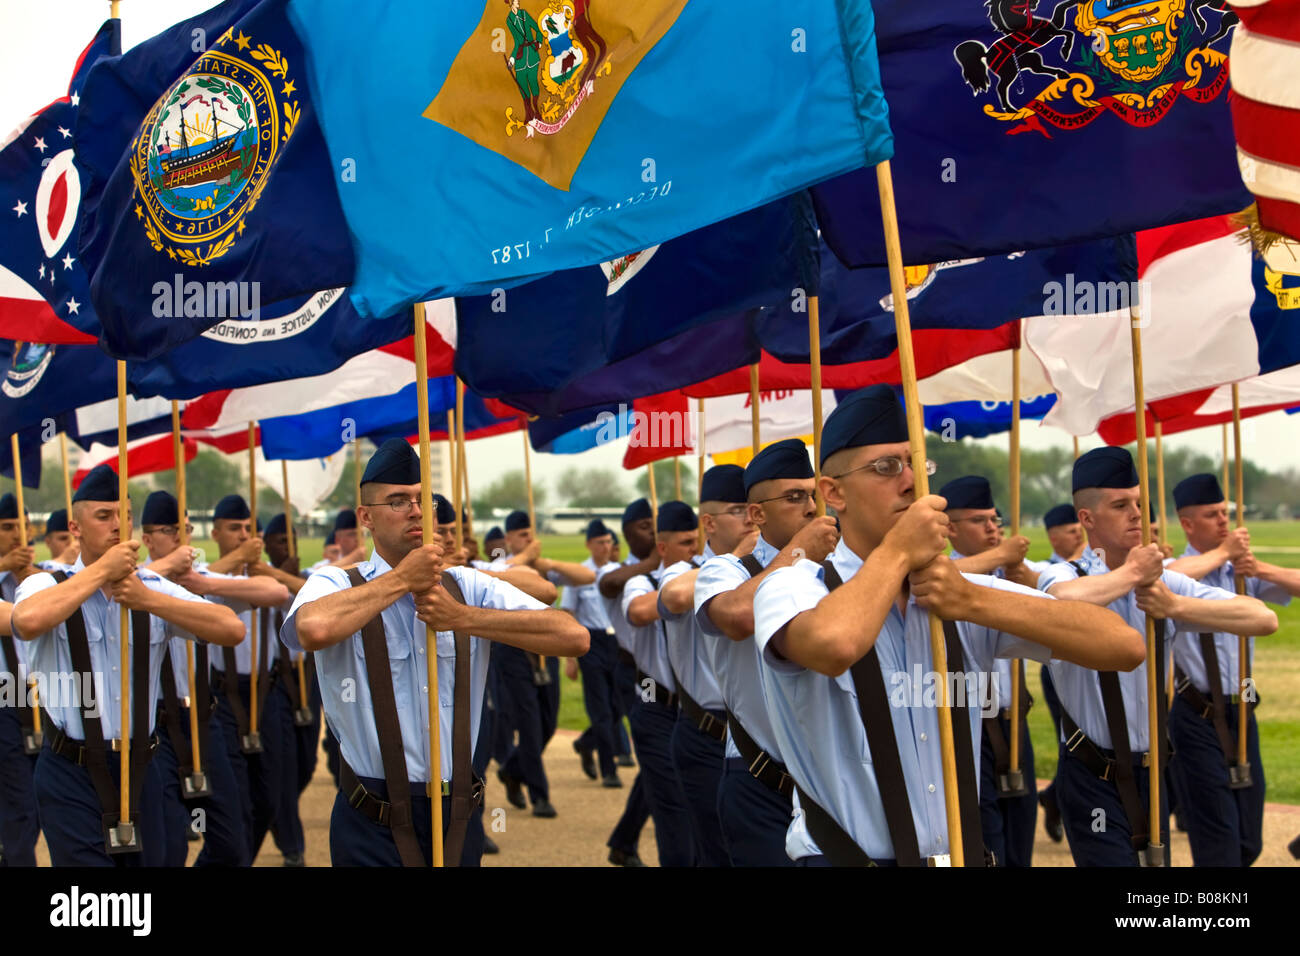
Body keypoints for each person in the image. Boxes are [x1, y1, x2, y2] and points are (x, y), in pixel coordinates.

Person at [751, 387, 1148, 866]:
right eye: (885, 467)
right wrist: (898, 552)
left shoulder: (956, 593)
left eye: (917, 464)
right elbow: (836, 643)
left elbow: (1123, 647)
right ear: (833, 492)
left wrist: (973, 598)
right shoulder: (794, 586)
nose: (910, 482)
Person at [280, 438, 588, 866]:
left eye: (422, 499)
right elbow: (312, 628)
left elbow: (573, 637)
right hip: (371, 817)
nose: (416, 511)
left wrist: (464, 618)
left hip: (456, 815)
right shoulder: (335, 583)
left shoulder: (467, 585)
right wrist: (402, 580)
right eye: (398, 501)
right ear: (365, 517)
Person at [1036, 448, 1278, 866]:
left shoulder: (1164, 584)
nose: (1137, 514)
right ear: (1088, 519)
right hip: (1091, 773)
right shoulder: (1063, 574)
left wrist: (1177, 607)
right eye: (1120, 505)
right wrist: (1132, 574)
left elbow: (1263, 617)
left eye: (1138, 504)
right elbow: (1060, 602)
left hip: (1153, 770)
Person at [11, 465, 244, 866]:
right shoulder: (47, 584)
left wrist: (149, 600)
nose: (119, 527)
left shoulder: (150, 589)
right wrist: (104, 569)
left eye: (126, 517)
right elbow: (27, 622)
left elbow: (231, 629)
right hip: (72, 769)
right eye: (104, 517)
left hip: (141, 766)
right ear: (76, 526)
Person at [689, 440, 836, 866]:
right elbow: (735, 616)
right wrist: (800, 552)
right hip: (760, 776)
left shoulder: (836, 567)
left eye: (813, 495)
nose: (810, 507)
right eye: (794, 497)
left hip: (831, 779)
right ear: (756, 514)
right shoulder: (727, 569)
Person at [1164, 473, 1300, 866]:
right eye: (1212, 515)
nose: (1224, 521)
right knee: (1217, 836)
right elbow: (1169, 579)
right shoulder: (1178, 568)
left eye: (1225, 513)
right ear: (1188, 524)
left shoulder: (1241, 575)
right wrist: (1224, 552)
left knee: (1248, 839)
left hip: (1241, 710)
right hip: (1196, 714)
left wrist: (1262, 570)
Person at [138, 491, 252, 866]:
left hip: (203, 719)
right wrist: (168, 565)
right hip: (156, 725)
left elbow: (274, 593)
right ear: (147, 538)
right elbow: (118, 587)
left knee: (230, 844)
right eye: (170, 529)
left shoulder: (198, 578)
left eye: (184, 528)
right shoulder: (137, 584)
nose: (180, 536)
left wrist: (208, 584)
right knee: (169, 845)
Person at [940, 475, 1043, 867]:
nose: (992, 529)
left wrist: (1018, 570)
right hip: (968, 725)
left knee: (1020, 833)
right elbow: (955, 576)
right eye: (979, 521)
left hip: (1013, 719)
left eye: (995, 520)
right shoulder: (946, 572)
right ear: (950, 529)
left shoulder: (1014, 572)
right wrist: (1001, 556)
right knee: (985, 835)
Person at [655, 466, 753, 867]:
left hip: (758, 735)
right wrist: (739, 561)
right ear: (709, 522)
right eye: (739, 510)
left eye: (755, 508)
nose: (752, 518)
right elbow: (675, 596)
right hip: (706, 732)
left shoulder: (774, 564)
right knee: (717, 853)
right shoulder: (685, 569)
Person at [202, 493, 299, 864]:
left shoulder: (263, 574)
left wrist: (268, 570)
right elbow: (192, 585)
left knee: (270, 796)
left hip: (266, 690)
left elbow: (299, 593)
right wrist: (235, 563)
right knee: (234, 799)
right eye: (233, 529)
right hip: (223, 695)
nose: (243, 535)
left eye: (248, 529)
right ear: (215, 533)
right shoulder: (207, 573)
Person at [618, 500, 699, 866]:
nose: (694, 550)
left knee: (698, 808)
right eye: (685, 543)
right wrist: (680, 591)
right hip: (654, 703)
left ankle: (622, 841)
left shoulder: (709, 575)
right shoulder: (642, 581)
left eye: (697, 541)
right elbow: (638, 612)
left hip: (695, 713)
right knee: (675, 811)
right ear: (663, 547)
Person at [598, 499, 657, 866]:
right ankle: (624, 839)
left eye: (655, 524)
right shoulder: (619, 572)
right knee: (657, 758)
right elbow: (608, 584)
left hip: (672, 678)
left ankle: (624, 839)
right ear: (627, 533)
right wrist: (656, 562)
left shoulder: (674, 568)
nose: (651, 531)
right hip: (640, 678)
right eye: (643, 526)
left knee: (663, 760)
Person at [564, 519, 625, 787]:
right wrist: (570, 658)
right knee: (600, 709)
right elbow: (569, 613)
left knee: (619, 706)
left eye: (609, 541)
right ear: (589, 544)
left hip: (618, 644)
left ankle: (586, 742)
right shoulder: (578, 574)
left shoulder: (620, 572)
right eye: (600, 542)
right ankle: (609, 769)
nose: (605, 546)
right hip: (591, 643)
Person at [0, 492, 39, 865]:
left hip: (41, 696)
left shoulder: (39, 577)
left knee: (38, 802)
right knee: (20, 805)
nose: (18, 535)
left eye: (24, 527)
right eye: (8, 527)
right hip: (2, 700)